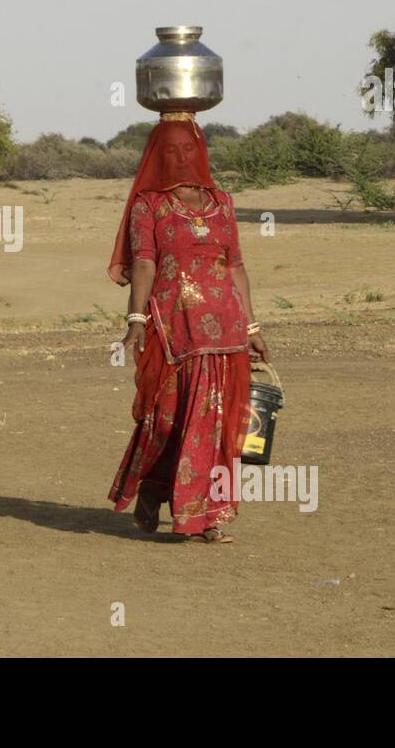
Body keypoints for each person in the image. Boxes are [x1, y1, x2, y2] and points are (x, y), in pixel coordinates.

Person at [106, 114, 269, 543]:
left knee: (218, 422)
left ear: (201, 152)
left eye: (188, 149)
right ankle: (153, 487)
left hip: (226, 332)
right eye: (170, 151)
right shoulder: (150, 204)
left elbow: (235, 266)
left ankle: (204, 517)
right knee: (167, 420)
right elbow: (144, 262)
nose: (180, 157)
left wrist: (252, 326)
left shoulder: (222, 202)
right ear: (157, 156)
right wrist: (136, 319)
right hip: (174, 328)